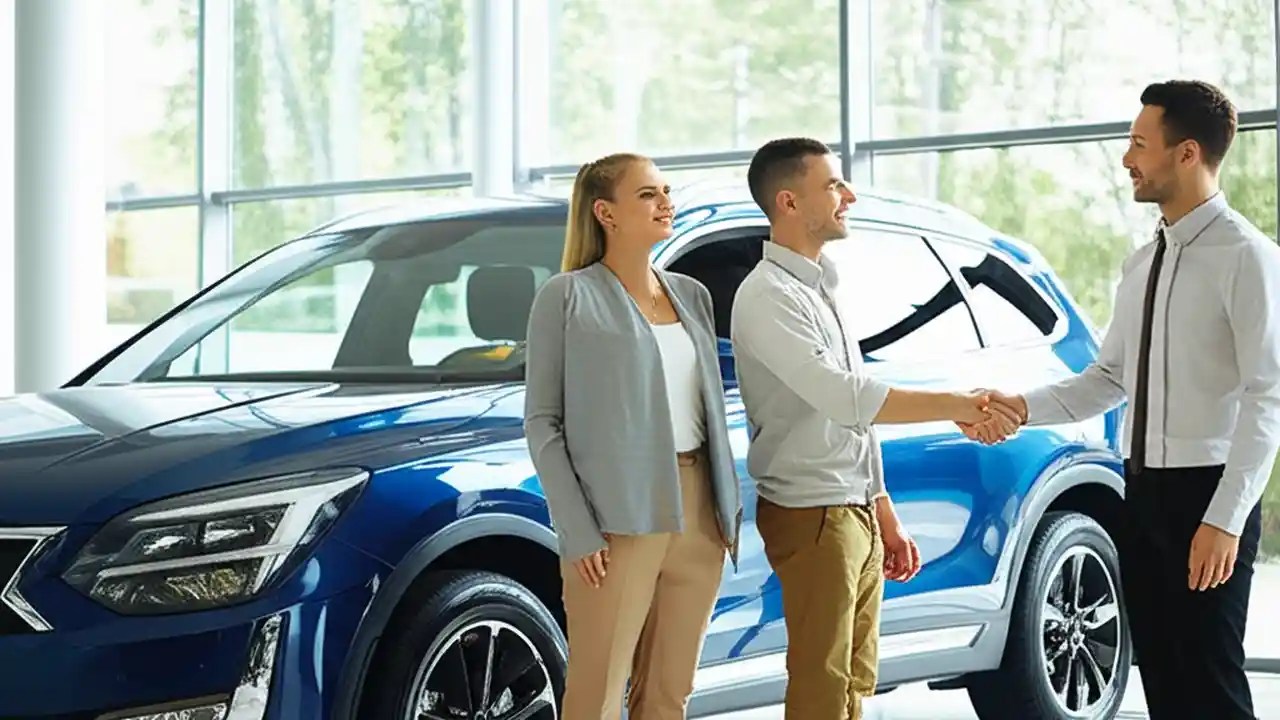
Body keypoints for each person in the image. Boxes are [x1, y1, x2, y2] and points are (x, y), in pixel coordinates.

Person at [969, 80, 1280, 720]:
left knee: (1211, 681)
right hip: (1142, 495)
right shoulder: (1140, 264)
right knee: (1162, 678)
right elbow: (1109, 378)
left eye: (1140, 143)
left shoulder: (1248, 257)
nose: (1126, 157)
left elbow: (1268, 396)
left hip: (1209, 495)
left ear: (1187, 152)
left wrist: (1224, 519)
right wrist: (1021, 407)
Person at [729, 137, 1016, 720]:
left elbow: (854, 420)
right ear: (788, 201)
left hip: (849, 509)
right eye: (834, 185)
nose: (849, 195)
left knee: (856, 681)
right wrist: (959, 404)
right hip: (813, 514)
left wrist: (881, 510)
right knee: (823, 686)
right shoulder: (767, 296)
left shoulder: (821, 286)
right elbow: (844, 398)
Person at [523, 152, 743, 720]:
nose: (666, 202)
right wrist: (577, 529)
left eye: (666, 190)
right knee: (596, 698)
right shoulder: (567, 297)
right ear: (606, 212)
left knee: (670, 695)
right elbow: (543, 422)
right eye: (648, 194)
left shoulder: (691, 295)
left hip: (700, 513)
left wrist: (723, 515)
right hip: (615, 521)